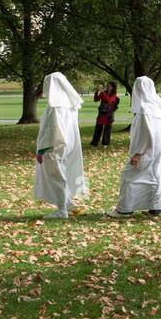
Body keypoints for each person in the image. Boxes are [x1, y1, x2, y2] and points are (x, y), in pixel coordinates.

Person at [106, 76, 161, 217]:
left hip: (147, 151)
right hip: (159, 150)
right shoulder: (159, 108)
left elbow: (144, 134)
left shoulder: (145, 110)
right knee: (155, 176)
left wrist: (138, 153)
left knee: (130, 176)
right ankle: (156, 207)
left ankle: (125, 209)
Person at [34, 72, 89, 219]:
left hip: (54, 147)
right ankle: (68, 203)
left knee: (56, 177)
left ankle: (61, 210)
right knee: (60, 175)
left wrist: (41, 149)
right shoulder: (69, 104)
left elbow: (50, 130)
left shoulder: (55, 107)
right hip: (67, 145)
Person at [91, 82, 120, 146]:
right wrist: (96, 92)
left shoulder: (114, 94)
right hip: (102, 112)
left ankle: (105, 143)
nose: (107, 87)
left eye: (109, 86)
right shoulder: (103, 93)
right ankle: (95, 142)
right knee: (98, 127)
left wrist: (102, 93)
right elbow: (96, 100)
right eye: (107, 86)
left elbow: (109, 101)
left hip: (109, 113)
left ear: (112, 88)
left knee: (108, 128)